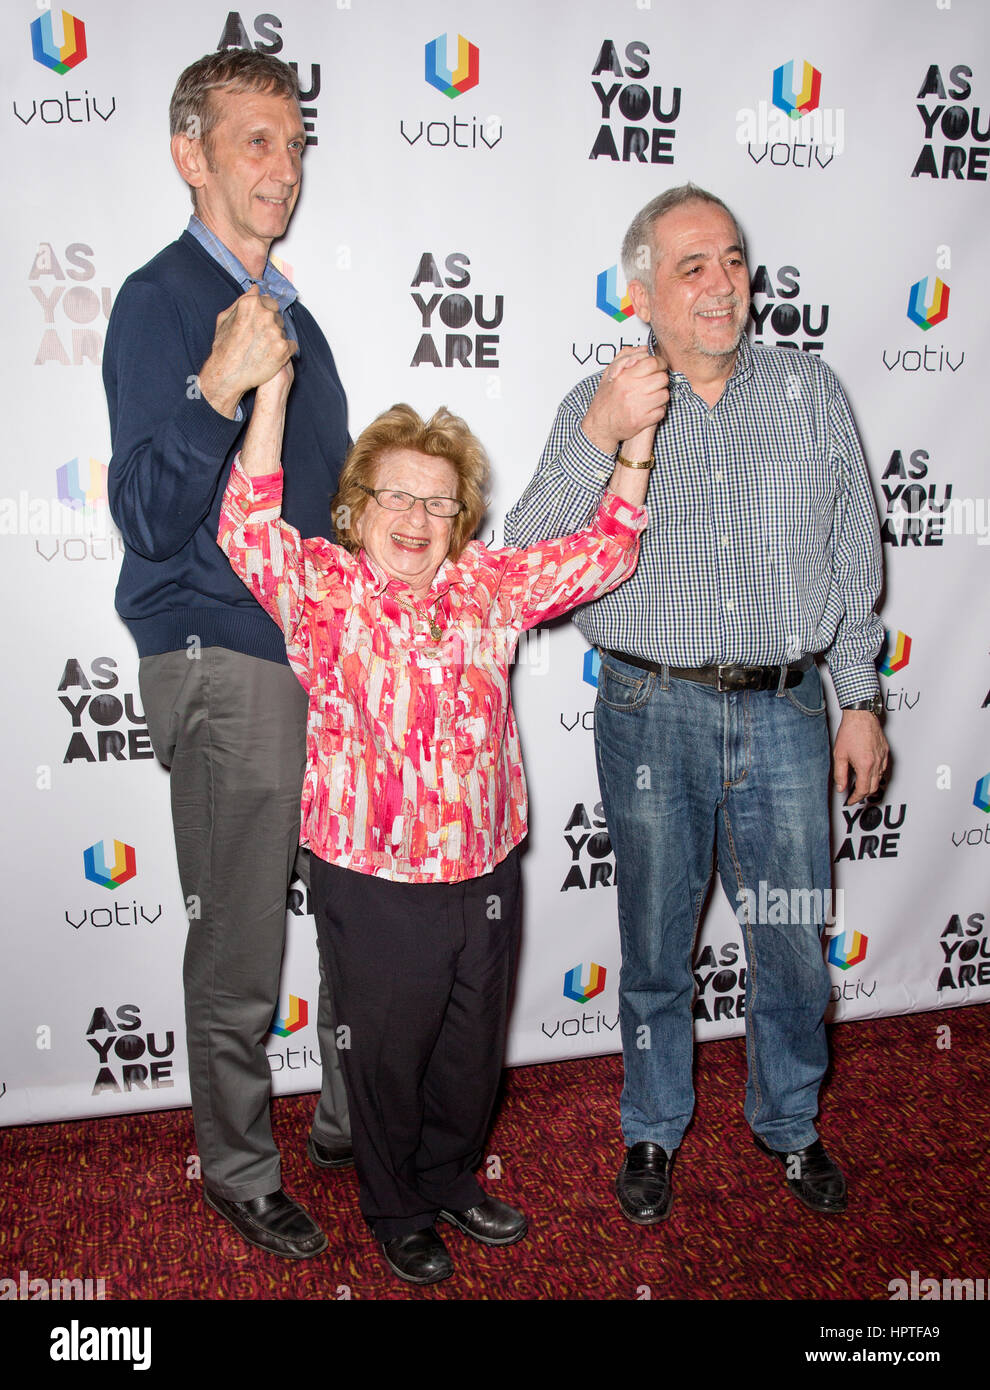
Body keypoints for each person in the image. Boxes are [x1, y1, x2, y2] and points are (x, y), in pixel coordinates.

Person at [218, 363, 667, 1282]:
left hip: (484, 864)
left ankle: (452, 1176)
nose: (417, 520)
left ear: (461, 521)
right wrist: (269, 394)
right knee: (386, 1055)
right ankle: (397, 1206)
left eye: (440, 504)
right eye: (397, 498)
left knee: (469, 1046)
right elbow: (243, 524)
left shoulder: (488, 586)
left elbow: (610, 551)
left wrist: (636, 444)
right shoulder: (321, 588)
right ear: (356, 508)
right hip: (370, 876)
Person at [504, 184, 888, 1223]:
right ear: (641, 292)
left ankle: (790, 1123)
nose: (722, 284)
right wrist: (598, 428)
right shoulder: (607, 397)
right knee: (655, 943)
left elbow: (856, 555)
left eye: (732, 260)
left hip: (788, 710)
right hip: (648, 709)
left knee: (795, 942)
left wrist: (860, 698)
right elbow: (525, 548)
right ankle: (652, 1127)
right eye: (692, 267)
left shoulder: (810, 392)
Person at [103, 50, 351, 1261]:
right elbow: (148, 515)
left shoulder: (300, 315)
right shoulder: (160, 300)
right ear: (189, 154)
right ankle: (241, 1168)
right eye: (258, 140)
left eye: (298, 142)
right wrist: (214, 388)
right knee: (245, 938)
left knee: (366, 906)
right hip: (221, 654)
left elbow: (334, 508)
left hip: (325, 656)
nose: (285, 166)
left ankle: (358, 1123)